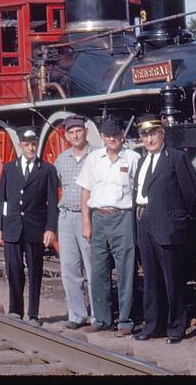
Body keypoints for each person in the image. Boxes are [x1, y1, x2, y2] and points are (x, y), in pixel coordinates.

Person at [132, 113, 196, 344]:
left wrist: (178, 218)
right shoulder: (141, 161)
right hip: (144, 222)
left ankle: (175, 328)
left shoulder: (176, 158)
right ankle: (152, 326)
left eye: (153, 134)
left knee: (173, 280)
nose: (149, 139)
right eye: (144, 135)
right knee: (150, 279)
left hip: (168, 225)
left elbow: (190, 192)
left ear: (162, 133)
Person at [77, 115, 140, 335]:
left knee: (126, 270)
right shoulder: (93, 159)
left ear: (122, 135)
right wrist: (86, 222)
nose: (112, 138)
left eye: (116, 134)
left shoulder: (133, 158)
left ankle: (125, 320)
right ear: (102, 137)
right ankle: (102, 319)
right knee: (98, 271)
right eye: (108, 135)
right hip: (98, 218)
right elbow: (85, 192)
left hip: (123, 217)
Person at [0, 126, 59, 324]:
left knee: (35, 270)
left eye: (34, 144)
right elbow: (1, 199)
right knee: (13, 267)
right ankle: (15, 309)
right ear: (20, 145)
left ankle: (33, 313)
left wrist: (50, 228)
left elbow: (53, 203)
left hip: (35, 228)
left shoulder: (47, 170)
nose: (31, 148)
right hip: (12, 227)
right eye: (27, 144)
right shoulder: (9, 169)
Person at [53, 114, 95, 330]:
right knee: (69, 268)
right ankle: (77, 315)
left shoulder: (97, 156)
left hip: (89, 217)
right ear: (67, 135)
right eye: (71, 132)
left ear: (86, 131)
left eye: (78, 130)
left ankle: (98, 315)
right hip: (67, 216)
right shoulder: (62, 159)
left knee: (93, 267)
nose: (75, 135)